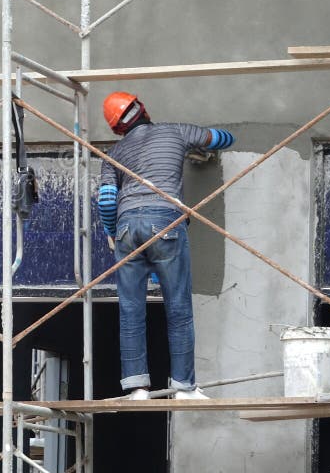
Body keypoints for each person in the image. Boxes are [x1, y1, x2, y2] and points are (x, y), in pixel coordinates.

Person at [97, 91, 235, 400]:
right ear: (142, 108)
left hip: (126, 227)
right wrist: (202, 146)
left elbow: (106, 200)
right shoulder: (176, 131)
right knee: (178, 309)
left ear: (117, 128)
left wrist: (113, 233)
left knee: (131, 311)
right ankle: (183, 387)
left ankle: (137, 388)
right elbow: (223, 139)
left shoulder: (113, 154)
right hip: (165, 222)